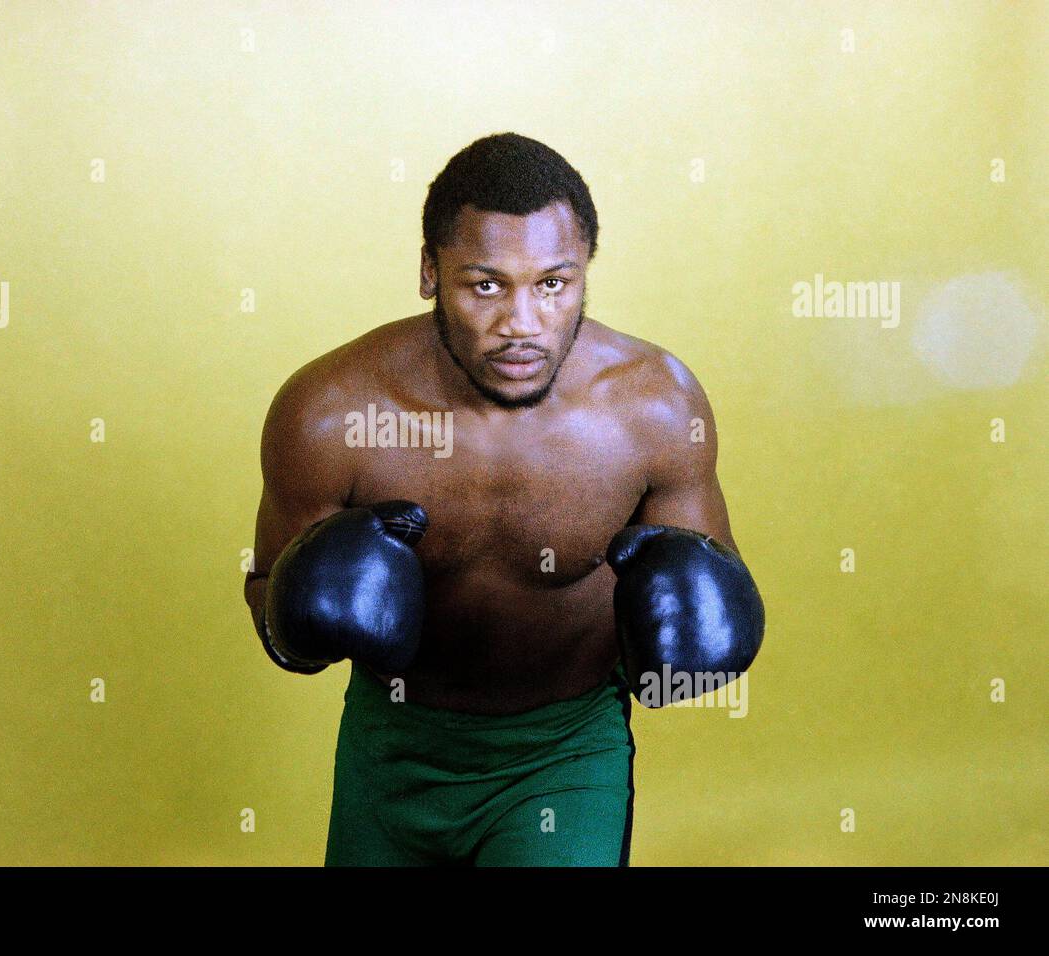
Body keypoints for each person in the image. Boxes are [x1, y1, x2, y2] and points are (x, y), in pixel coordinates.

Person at [243, 132, 763, 866]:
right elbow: (266, 591)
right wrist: (297, 617)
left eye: (554, 283)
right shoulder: (331, 413)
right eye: (486, 284)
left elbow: (701, 630)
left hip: (562, 754)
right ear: (430, 271)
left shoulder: (655, 408)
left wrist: (694, 643)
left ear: (585, 274)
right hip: (390, 744)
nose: (522, 324)